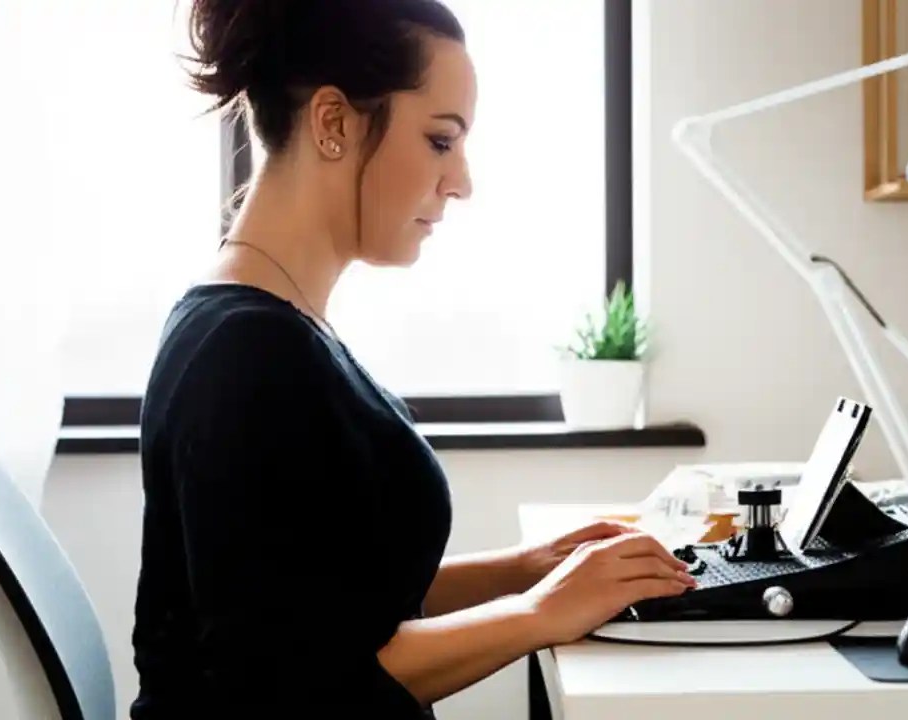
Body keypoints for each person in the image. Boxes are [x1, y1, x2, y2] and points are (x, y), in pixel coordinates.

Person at [129, 1, 695, 717]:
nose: (461, 181)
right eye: (439, 140)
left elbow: (330, 600)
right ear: (334, 122)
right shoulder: (248, 357)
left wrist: (527, 571)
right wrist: (540, 613)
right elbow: (294, 679)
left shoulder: (267, 326)